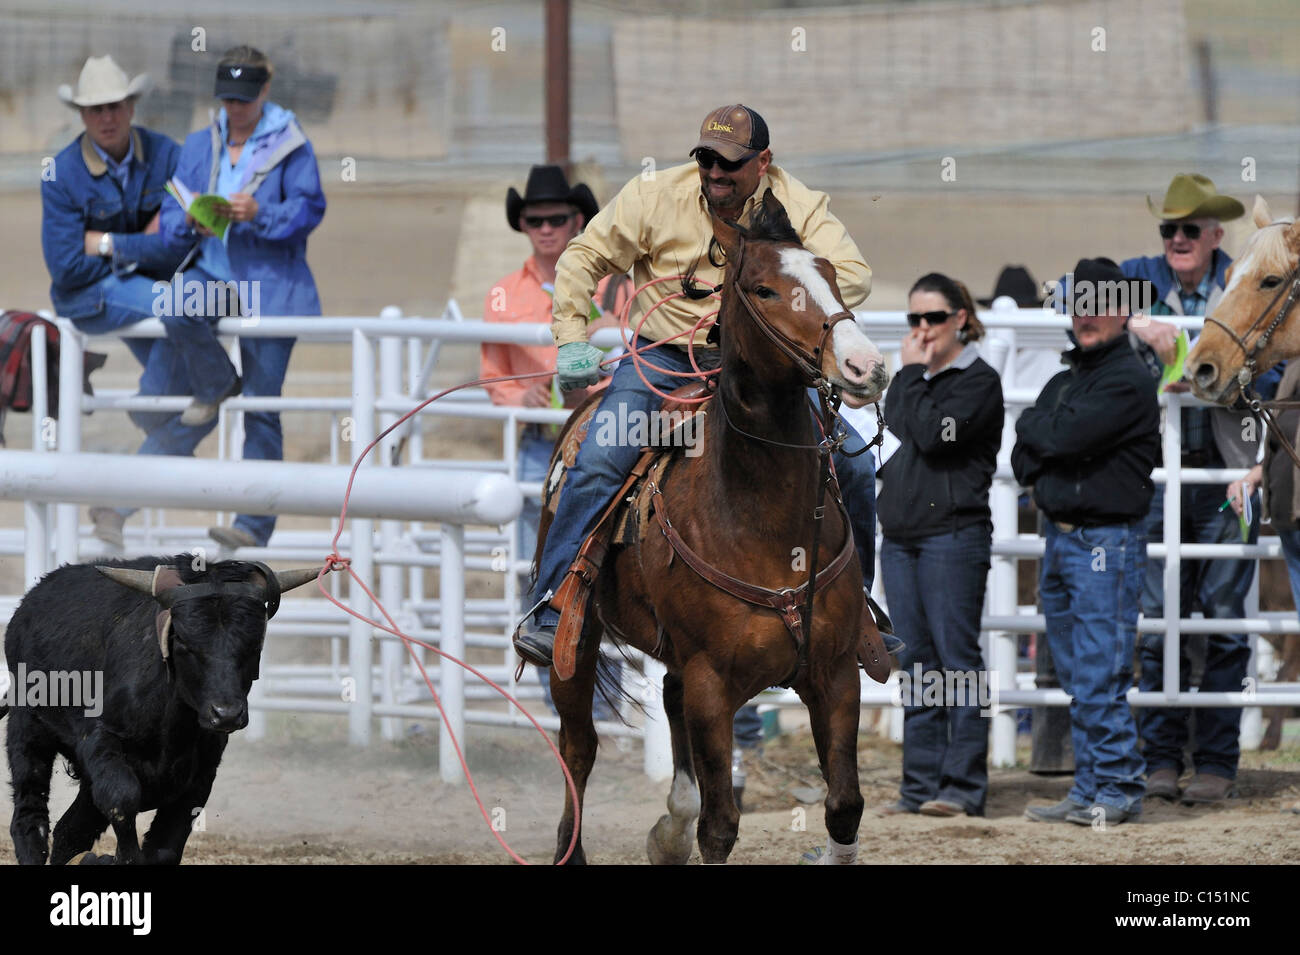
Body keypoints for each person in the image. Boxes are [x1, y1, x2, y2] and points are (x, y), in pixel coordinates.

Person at [513, 104, 880, 670]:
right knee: (604, 453)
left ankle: (856, 612)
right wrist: (570, 337)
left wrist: (771, 291)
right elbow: (584, 256)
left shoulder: (798, 204)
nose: (715, 173)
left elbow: (851, 274)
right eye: (707, 159)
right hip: (665, 359)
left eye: (730, 163)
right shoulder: (655, 195)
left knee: (853, 465)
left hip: (762, 367)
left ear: (763, 163)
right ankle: (552, 602)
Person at [1120, 174, 1278, 804]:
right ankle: (1160, 758)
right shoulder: (1137, 275)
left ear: (1217, 234)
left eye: (1190, 229)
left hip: (1230, 469)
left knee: (1224, 615)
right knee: (1160, 616)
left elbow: (1276, 362)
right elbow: (1068, 292)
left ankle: (1215, 760)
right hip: (1159, 474)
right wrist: (1140, 322)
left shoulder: (1241, 281)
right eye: (1169, 229)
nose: (1178, 239)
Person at [40, 55, 237, 547]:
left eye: (114, 106)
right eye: (95, 109)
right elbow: (65, 266)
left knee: (193, 404)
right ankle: (183, 399)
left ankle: (116, 504)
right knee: (184, 315)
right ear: (82, 116)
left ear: (130, 106)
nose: (106, 118)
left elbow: (178, 241)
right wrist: (140, 245)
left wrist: (104, 243)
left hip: (137, 286)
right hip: (92, 297)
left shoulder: (165, 154)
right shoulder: (61, 172)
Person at [159, 45, 326, 551]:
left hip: (271, 288)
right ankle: (217, 381)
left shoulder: (292, 144)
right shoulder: (198, 143)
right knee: (175, 304)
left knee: (263, 407)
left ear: (265, 92)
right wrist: (188, 219)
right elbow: (170, 218)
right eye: (229, 99)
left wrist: (260, 213)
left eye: (245, 99)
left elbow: (310, 209)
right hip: (214, 274)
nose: (236, 108)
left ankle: (254, 522)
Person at [480, 165, 630, 722]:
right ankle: (569, 714)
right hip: (540, 444)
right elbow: (494, 379)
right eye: (534, 219)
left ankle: (608, 712)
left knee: (603, 566)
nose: (545, 228)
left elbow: (636, 355)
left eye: (556, 219)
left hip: (600, 435)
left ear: (577, 221)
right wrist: (521, 399)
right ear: (523, 224)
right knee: (541, 569)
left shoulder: (617, 287)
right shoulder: (502, 295)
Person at [1015, 257, 1159, 827]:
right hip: (1072, 539)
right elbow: (1029, 448)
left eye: (1098, 305)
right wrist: (1044, 435)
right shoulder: (1072, 378)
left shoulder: (1123, 379)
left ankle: (1116, 785)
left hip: (1104, 540)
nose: (1086, 316)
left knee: (1096, 670)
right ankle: (1095, 786)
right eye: (1080, 304)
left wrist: (1041, 432)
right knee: (1082, 672)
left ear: (1122, 311)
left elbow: (1055, 434)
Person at [876, 273, 1003, 818]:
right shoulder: (914, 384)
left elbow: (930, 435)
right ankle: (920, 785)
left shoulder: (979, 383)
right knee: (919, 665)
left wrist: (906, 374)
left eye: (932, 318)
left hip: (953, 537)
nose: (922, 329)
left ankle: (962, 786)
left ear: (961, 319)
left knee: (957, 662)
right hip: (902, 540)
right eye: (914, 319)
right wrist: (909, 380)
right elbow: (893, 434)